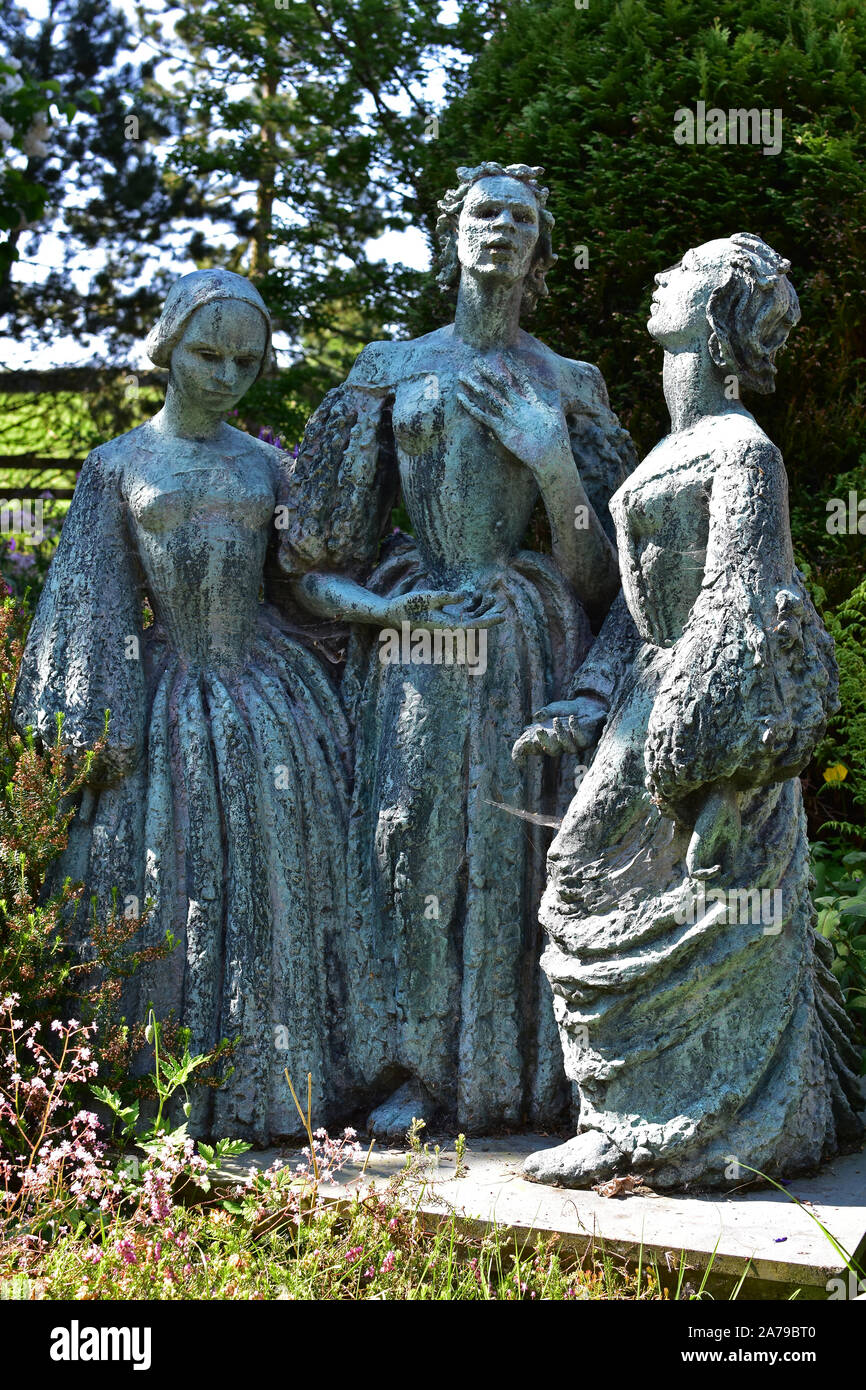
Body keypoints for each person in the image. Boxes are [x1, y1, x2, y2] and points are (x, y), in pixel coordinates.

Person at [283, 163, 636, 1132]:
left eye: (522, 217)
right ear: (452, 233)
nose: (502, 228)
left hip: (524, 640)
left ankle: (519, 1069)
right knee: (406, 840)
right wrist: (388, 612)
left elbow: (605, 578)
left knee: (516, 847)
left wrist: (552, 461)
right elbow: (316, 557)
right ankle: (415, 1067)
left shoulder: (568, 383)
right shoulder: (388, 369)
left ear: (539, 246)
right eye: (485, 211)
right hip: (416, 638)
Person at [516, 235, 863, 1188]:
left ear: (712, 316)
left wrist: (718, 781)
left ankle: (708, 1132)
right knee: (585, 882)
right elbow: (637, 614)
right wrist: (590, 698)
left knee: (700, 911)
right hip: (649, 699)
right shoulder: (670, 447)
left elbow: (746, 606)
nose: (661, 277)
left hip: (713, 721)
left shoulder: (745, 452)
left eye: (685, 271)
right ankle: (624, 1118)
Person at [13, 269, 356, 1143]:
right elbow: (88, 604)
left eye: (246, 361)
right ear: (169, 348)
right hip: (166, 700)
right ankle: (151, 1092)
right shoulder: (117, 465)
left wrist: (392, 612)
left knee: (281, 888)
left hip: (269, 696)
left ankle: (279, 1091)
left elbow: (304, 583)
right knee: (167, 885)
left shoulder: (269, 467)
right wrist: (93, 726)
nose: (227, 375)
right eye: (209, 354)